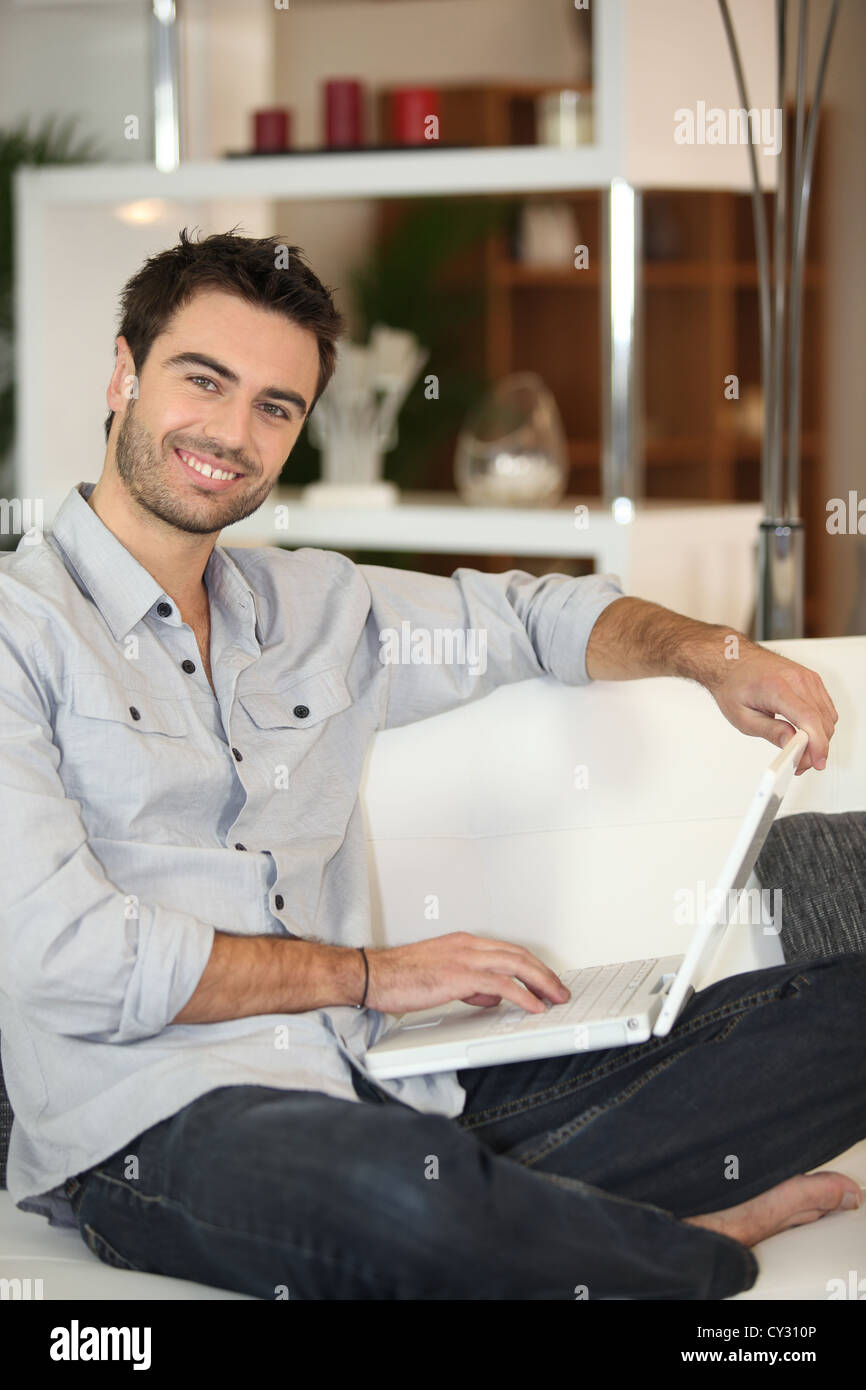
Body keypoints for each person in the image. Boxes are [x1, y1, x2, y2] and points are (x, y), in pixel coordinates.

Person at [0, 228, 861, 1302]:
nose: (230, 431)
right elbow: (64, 958)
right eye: (203, 380)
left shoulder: (314, 607)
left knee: (841, 1012)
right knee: (395, 1195)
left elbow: (528, 615)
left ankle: (533, 1224)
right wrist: (370, 974)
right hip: (159, 1129)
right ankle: (684, 1251)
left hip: (387, 1094)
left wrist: (709, 651)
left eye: (275, 406)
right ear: (125, 371)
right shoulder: (18, 630)